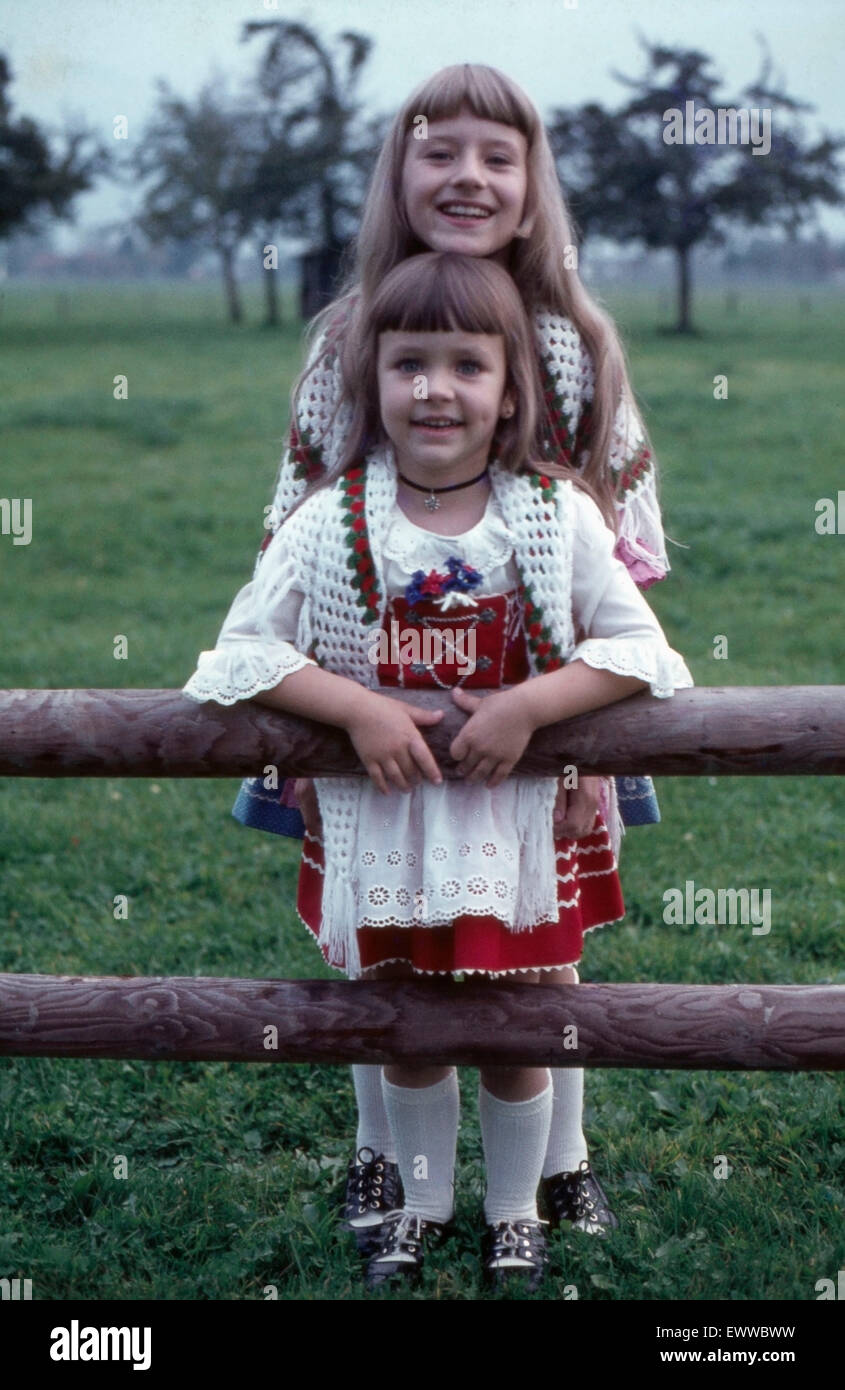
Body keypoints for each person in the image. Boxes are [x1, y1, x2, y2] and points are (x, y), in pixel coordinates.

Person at [182, 251, 692, 1290]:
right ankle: (419, 1201)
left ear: (510, 394)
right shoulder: (330, 523)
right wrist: (354, 708)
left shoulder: (552, 517)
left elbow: (642, 651)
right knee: (404, 1026)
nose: (435, 389)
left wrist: (529, 707)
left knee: (517, 1029)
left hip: (511, 837)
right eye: (409, 363)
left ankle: (515, 1213)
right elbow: (237, 652)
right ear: (371, 382)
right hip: (391, 830)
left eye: (467, 365)